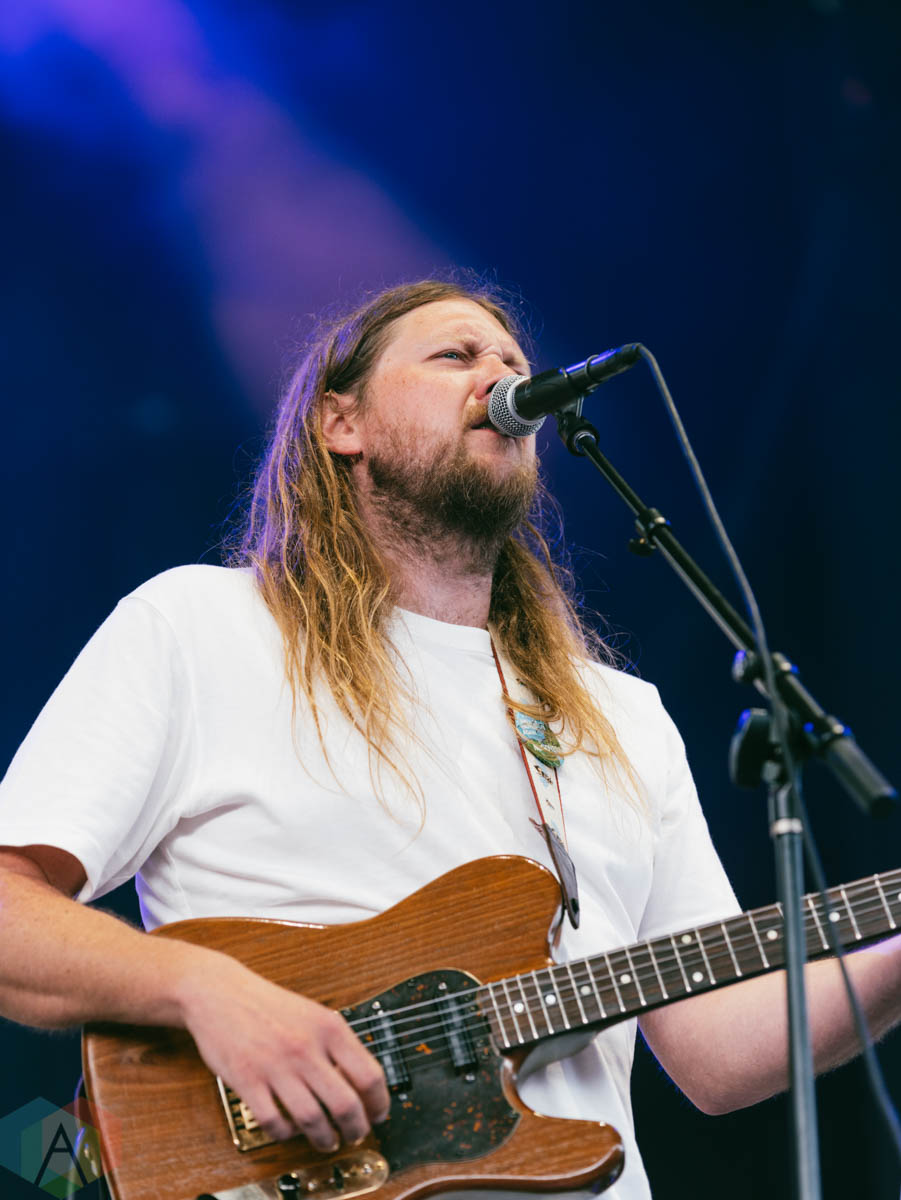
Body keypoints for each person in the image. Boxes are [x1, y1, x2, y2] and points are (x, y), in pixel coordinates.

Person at [0, 279, 897, 1200]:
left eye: (513, 362)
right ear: (340, 423)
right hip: (285, 1173)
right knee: (34, 1152)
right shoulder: (203, 626)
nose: (501, 379)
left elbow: (718, 1052)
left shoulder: (621, 715)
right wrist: (204, 989)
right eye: (456, 357)